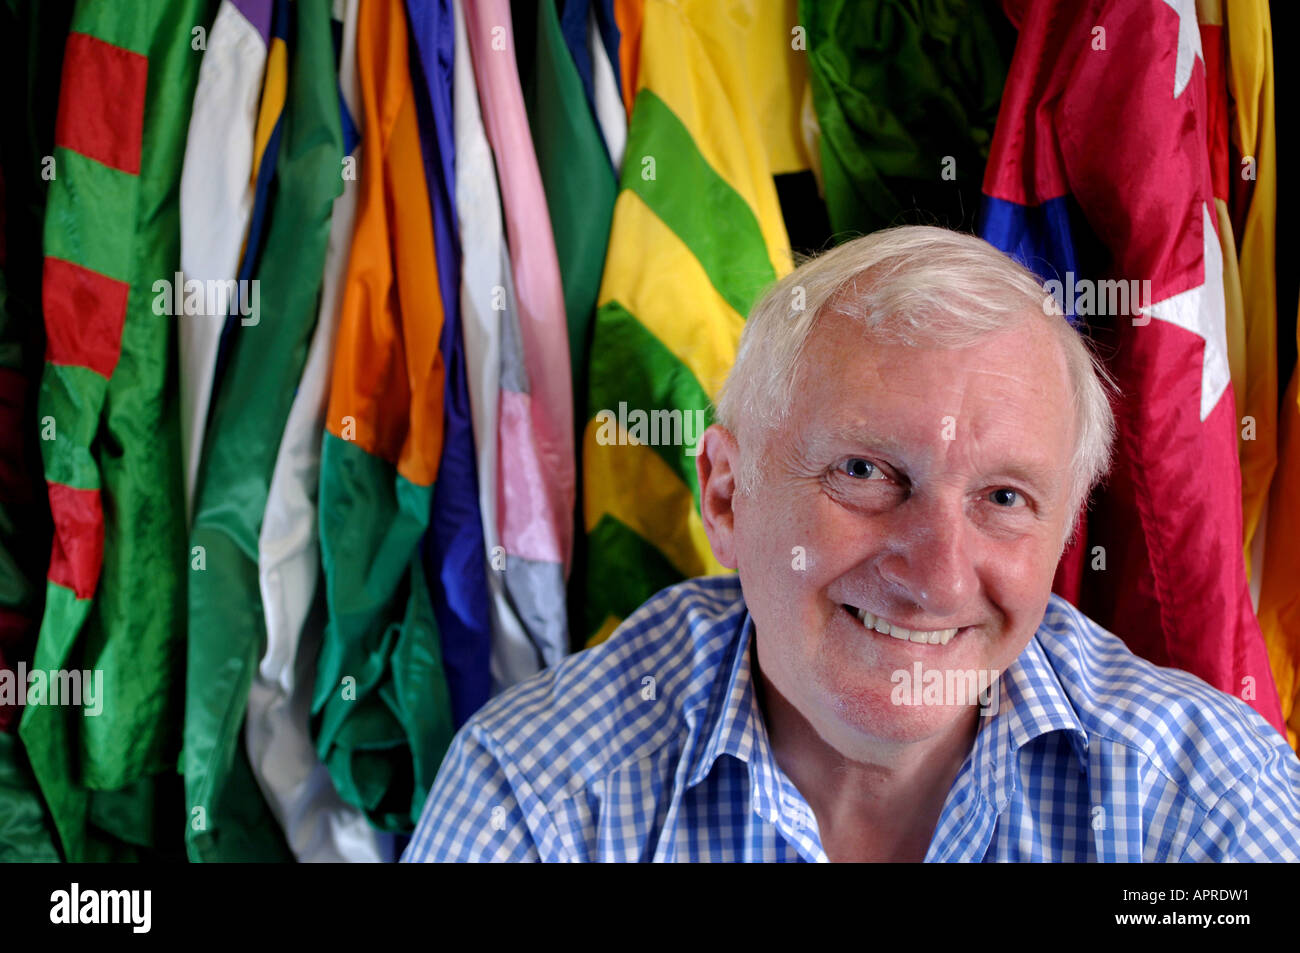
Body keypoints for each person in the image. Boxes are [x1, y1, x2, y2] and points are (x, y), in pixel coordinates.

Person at [402, 226, 1300, 862]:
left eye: (1003, 495)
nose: (937, 576)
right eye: (866, 473)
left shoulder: (1203, 796)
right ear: (726, 493)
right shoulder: (542, 795)